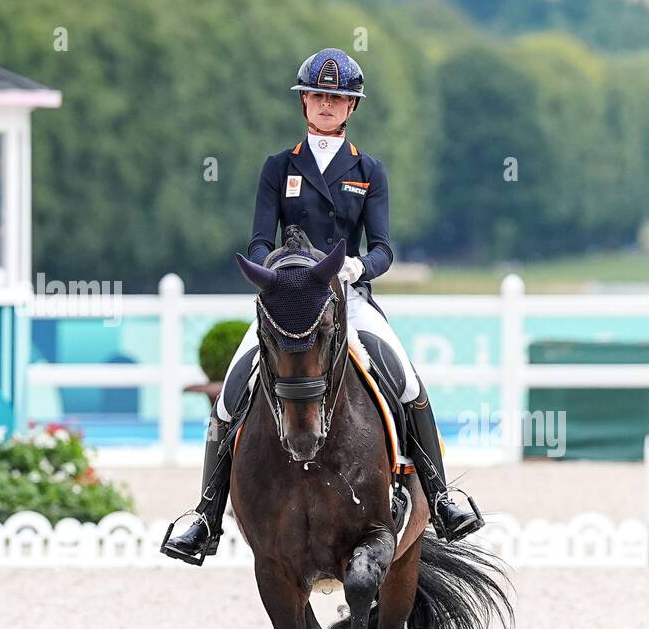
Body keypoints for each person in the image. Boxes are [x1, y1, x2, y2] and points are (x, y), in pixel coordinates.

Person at [163, 48, 484, 564]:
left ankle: (442, 498)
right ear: (305, 103)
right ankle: (204, 516)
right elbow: (258, 242)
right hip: (287, 300)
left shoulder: (368, 170)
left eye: (337, 97)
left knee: (405, 379)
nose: (326, 104)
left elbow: (383, 248)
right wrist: (279, 271)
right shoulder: (278, 167)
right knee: (229, 396)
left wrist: (357, 268)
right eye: (318, 95)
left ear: (351, 106)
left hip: (347, 299)